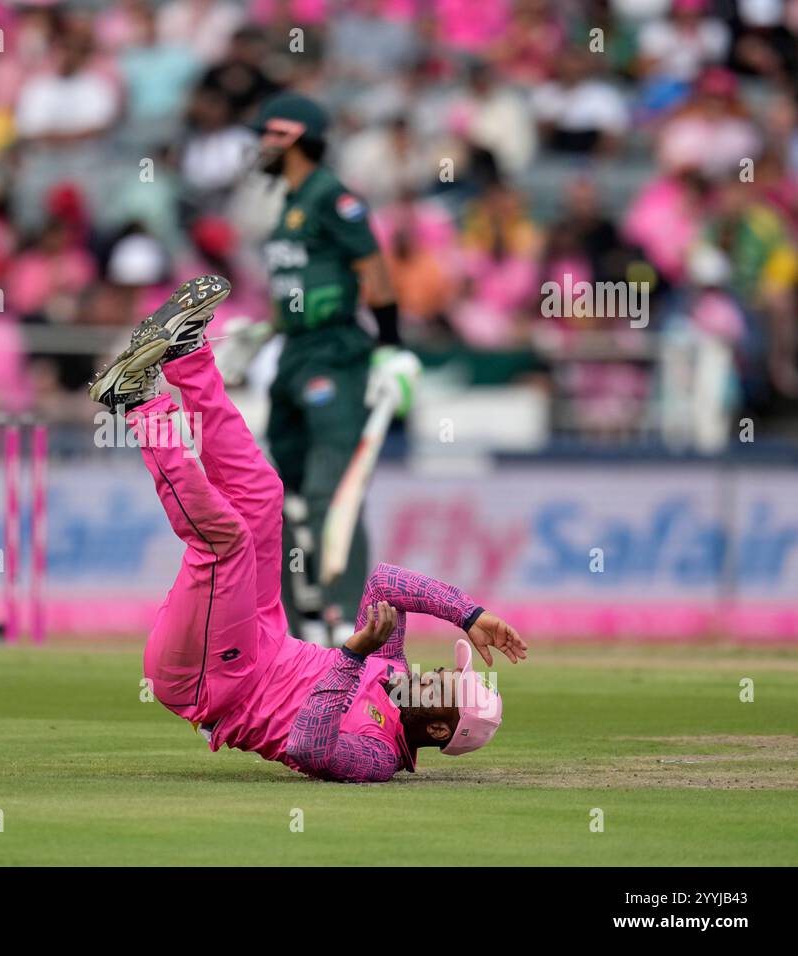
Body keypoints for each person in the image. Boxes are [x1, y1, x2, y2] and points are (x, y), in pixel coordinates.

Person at [87, 277, 527, 782]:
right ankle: (188, 358)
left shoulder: (379, 756)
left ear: (436, 730)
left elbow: (311, 748)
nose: (447, 673)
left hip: (210, 680)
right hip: (254, 633)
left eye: (453, 686)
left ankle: (139, 406)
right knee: (263, 499)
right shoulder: (394, 672)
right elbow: (385, 583)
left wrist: (353, 654)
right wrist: (466, 612)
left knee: (226, 542)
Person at [228, 92, 420, 645]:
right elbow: (295, 288)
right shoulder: (289, 204)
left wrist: (390, 346)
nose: (259, 144)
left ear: (290, 137)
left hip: (337, 355)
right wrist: (261, 331)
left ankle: (350, 625)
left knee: (329, 493)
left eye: (266, 133)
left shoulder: (334, 198)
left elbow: (374, 271)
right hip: (292, 356)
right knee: (274, 497)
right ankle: (294, 626)